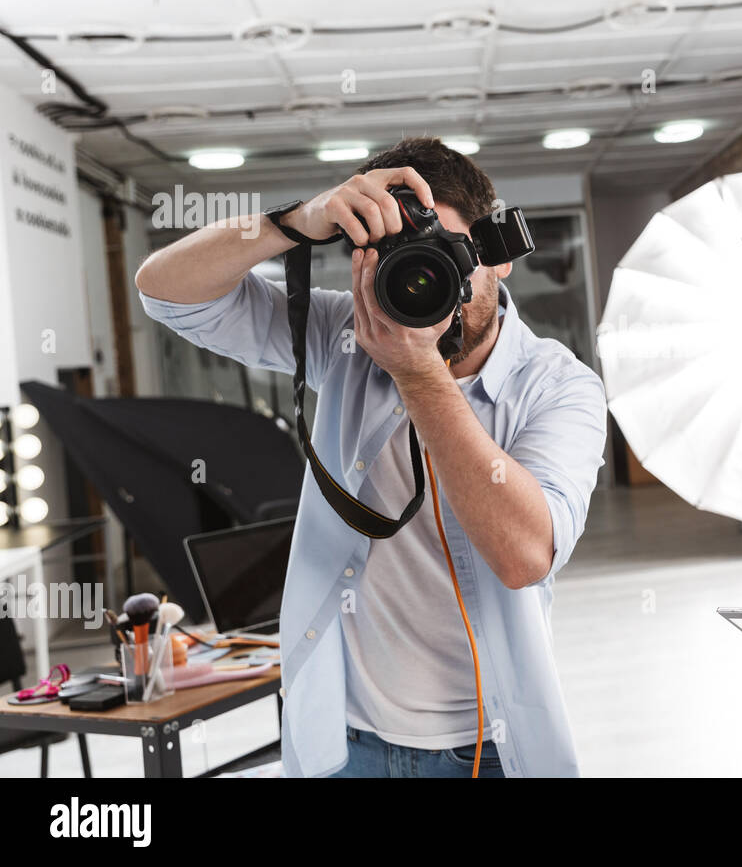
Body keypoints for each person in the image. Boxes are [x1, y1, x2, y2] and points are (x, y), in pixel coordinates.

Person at [135, 138, 607, 777]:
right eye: (403, 260)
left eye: (446, 255)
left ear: (499, 255)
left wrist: (418, 374)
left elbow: (525, 556)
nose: (425, 282)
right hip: (343, 738)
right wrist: (296, 221)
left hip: (485, 746)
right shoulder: (345, 339)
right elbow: (164, 291)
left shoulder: (559, 386)